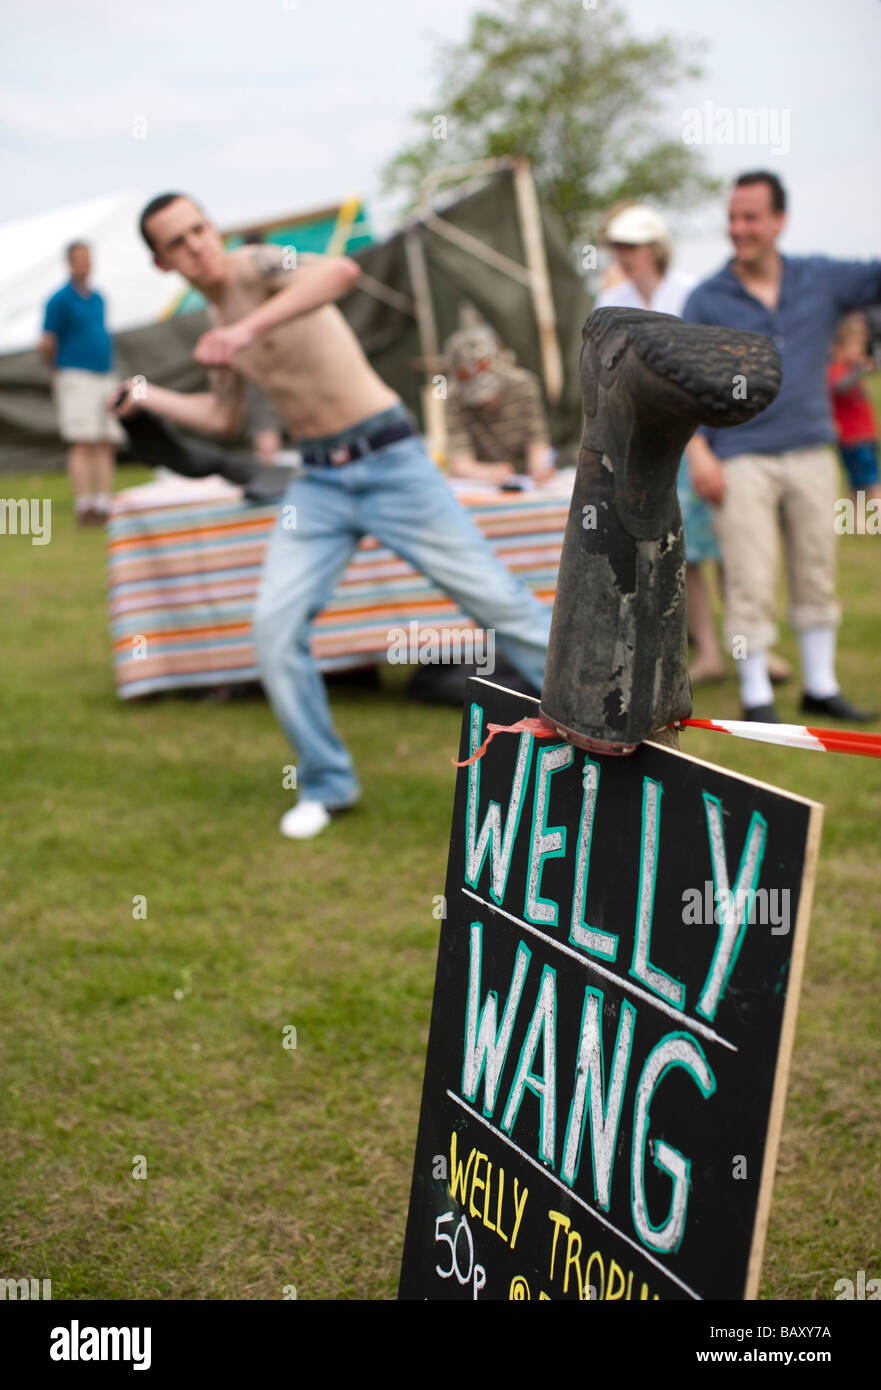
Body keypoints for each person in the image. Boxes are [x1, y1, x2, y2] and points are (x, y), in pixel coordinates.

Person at [112, 194, 551, 838]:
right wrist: (149, 396)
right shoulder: (215, 317)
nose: (196, 246)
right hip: (318, 480)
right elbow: (224, 419)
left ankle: (603, 731)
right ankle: (327, 782)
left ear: (214, 228)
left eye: (200, 229)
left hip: (389, 459)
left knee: (499, 601)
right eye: (177, 243)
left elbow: (341, 273)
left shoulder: (259, 263)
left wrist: (247, 329)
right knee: (272, 627)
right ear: (161, 262)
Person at [683, 171, 881, 723]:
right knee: (749, 574)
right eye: (732, 217)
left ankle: (820, 685)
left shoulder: (820, 278)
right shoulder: (706, 297)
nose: (738, 228)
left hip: (814, 450)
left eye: (750, 217)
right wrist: (698, 451)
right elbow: (684, 383)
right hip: (740, 455)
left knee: (817, 568)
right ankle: (757, 695)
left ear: (778, 221)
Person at [596, 205, 726, 687]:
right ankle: (708, 650)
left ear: (654, 247)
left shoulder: (691, 292)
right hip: (647, 441)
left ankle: (752, 649)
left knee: (728, 549)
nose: (624, 255)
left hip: (700, 437)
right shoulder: (611, 299)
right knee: (683, 554)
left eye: (632, 245)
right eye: (619, 247)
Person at [39, 242, 123, 524]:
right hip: (76, 374)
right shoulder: (59, 300)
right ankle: (84, 504)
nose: (84, 264)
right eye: (79, 259)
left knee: (106, 439)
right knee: (83, 439)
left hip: (104, 373)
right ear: (69, 263)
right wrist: (58, 369)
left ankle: (104, 502)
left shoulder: (99, 298)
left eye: (88, 259)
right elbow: (47, 341)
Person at [442, 325, 555, 486]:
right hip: (481, 484)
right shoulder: (453, 398)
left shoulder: (524, 385)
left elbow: (537, 439)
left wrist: (541, 466)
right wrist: (487, 473)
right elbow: (460, 462)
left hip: (525, 478)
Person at [827, 313, 880, 507]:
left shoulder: (848, 370)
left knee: (857, 484)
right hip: (853, 438)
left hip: (865, 436)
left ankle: (856, 522)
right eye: (855, 346)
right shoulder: (836, 371)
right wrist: (859, 371)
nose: (859, 351)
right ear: (838, 348)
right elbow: (840, 388)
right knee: (872, 482)